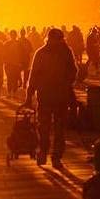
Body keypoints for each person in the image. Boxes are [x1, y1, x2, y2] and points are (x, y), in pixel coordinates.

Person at [25, 28, 77, 169]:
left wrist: (29, 95)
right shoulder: (59, 52)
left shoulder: (50, 53)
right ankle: (47, 153)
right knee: (47, 127)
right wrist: (29, 95)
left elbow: (73, 72)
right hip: (50, 96)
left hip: (55, 96)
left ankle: (53, 155)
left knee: (52, 128)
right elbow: (34, 76)